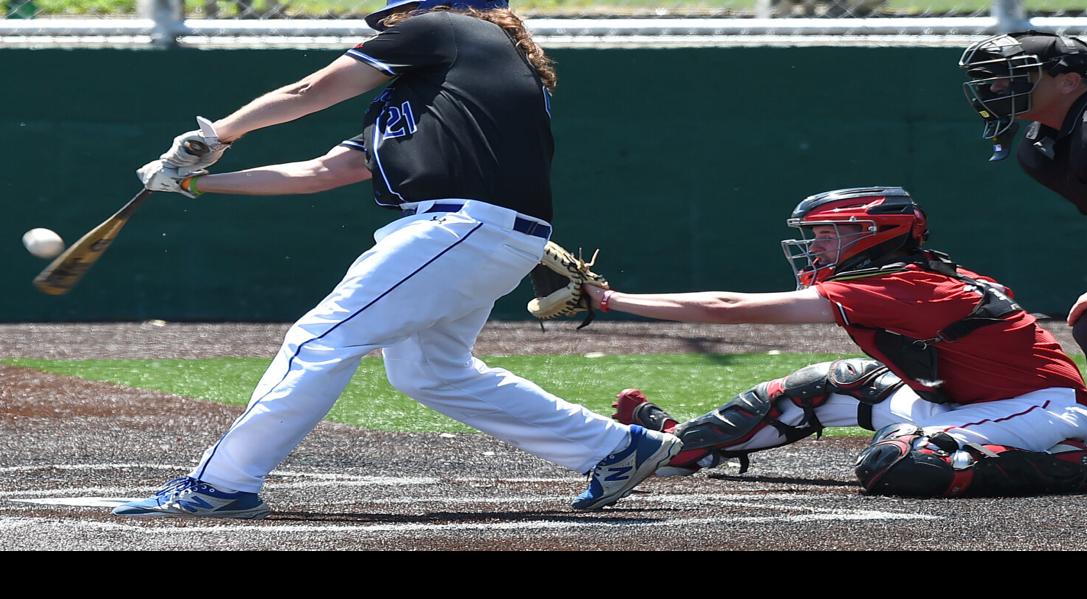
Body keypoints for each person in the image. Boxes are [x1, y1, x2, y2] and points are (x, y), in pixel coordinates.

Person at [112, 0, 682, 518]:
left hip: (460, 227)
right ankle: (617, 447)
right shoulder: (433, 92)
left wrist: (218, 136)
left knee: (319, 341)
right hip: (469, 234)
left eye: (404, 12)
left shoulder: (452, 28)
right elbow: (324, 173)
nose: (393, 23)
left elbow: (309, 90)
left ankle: (221, 485)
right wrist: (196, 185)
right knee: (428, 371)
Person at [583, 186, 1087, 497]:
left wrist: (610, 301)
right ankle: (681, 445)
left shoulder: (904, 284)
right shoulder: (903, 274)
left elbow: (725, 307)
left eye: (831, 233)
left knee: (902, 463)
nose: (818, 246)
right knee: (821, 384)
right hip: (967, 399)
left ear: (875, 236)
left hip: (1041, 410)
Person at [958, 31, 1087, 492]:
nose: (996, 89)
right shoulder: (1043, 145)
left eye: (1012, 77)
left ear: (1068, 81)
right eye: (992, 81)